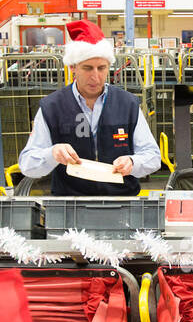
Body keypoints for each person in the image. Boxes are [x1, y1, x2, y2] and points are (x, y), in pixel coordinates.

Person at [19, 20, 160, 195]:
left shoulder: (128, 104)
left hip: (122, 200)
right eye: (87, 68)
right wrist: (52, 153)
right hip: (70, 204)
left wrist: (132, 162)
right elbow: (27, 165)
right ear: (72, 68)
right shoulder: (52, 107)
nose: (95, 76)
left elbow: (153, 157)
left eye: (101, 68)